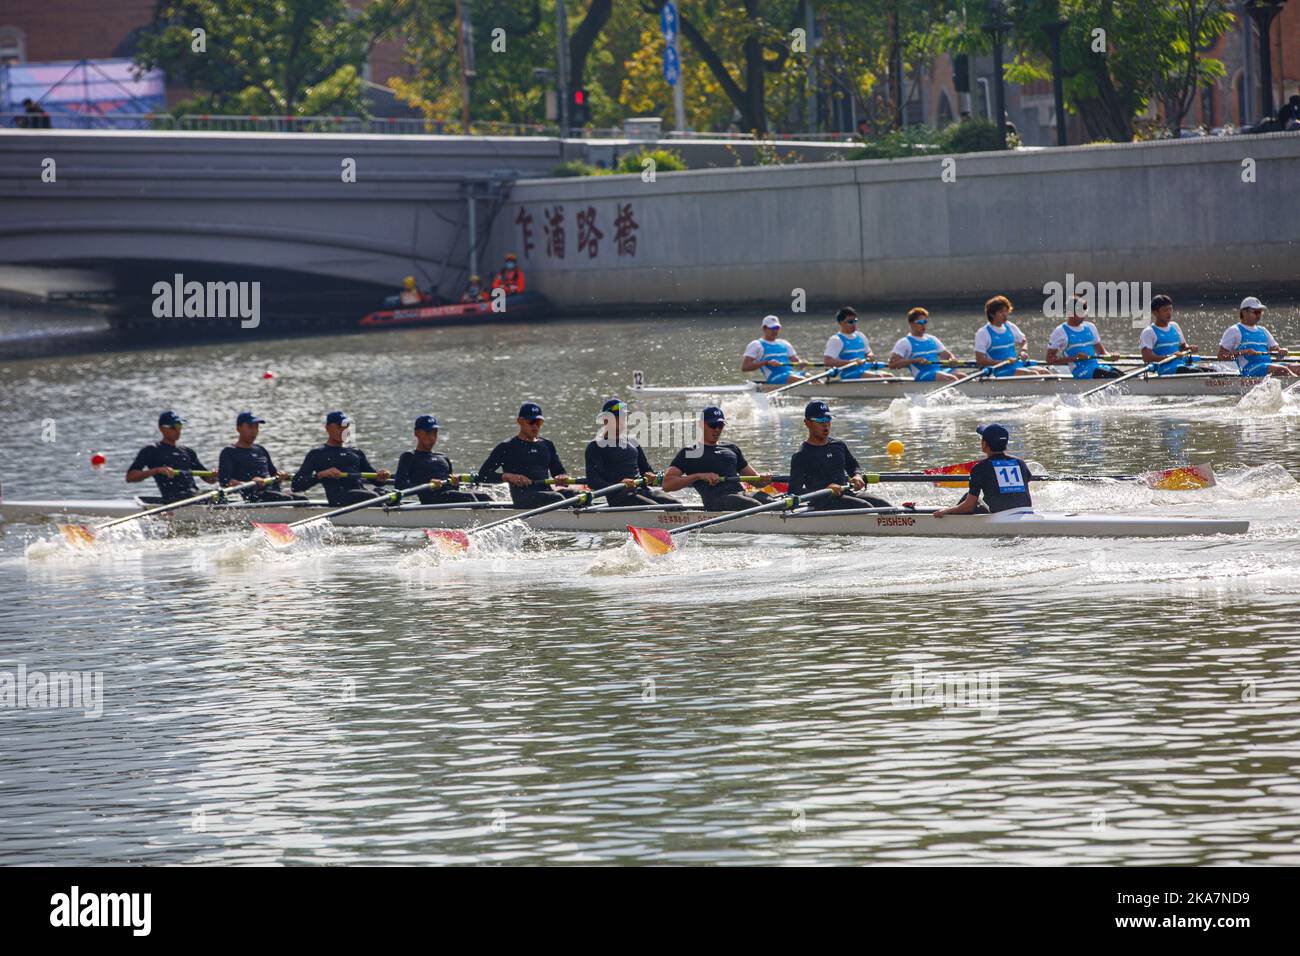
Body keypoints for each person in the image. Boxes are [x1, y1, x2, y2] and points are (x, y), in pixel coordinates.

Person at [662, 406, 774, 512]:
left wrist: (763, 479)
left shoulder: (732, 448)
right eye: (713, 425)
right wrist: (699, 476)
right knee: (754, 505)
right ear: (701, 425)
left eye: (720, 425)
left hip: (741, 496)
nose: (717, 429)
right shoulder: (690, 452)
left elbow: (756, 481)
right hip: (716, 501)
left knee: (771, 501)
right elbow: (667, 484)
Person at [789, 401, 892, 510]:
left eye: (828, 419)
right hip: (822, 501)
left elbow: (853, 465)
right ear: (807, 423)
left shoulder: (838, 445)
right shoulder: (801, 455)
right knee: (865, 507)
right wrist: (825, 490)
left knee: (884, 505)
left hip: (845, 493)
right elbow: (794, 491)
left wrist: (857, 475)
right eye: (820, 420)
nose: (825, 424)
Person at [477, 402, 576, 509]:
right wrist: (508, 476)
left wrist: (562, 476)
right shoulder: (507, 446)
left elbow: (558, 471)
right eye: (531, 422)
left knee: (574, 495)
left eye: (538, 422)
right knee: (557, 498)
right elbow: (483, 475)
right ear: (520, 421)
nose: (535, 426)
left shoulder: (547, 445)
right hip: (523, 497)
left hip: (546, 493)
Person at [584, 398, 680, 507]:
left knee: (676, 505)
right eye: (618, 418)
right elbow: (593, 481)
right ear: (606, 420)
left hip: (643, 490)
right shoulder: (595, 446)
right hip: (620, 496)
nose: (623, 421)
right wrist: (619, 484)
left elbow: (646, 470)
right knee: (656, 508)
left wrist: (651, 476)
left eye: (624, 417)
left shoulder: (632, 441)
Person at [291, 410, 391, 507]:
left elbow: (376, 481)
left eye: (346, 427)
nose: (344, 431)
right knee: (374, 496)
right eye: (339, 427)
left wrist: (381, 476)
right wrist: (320, 475)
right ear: (327, 428)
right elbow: (296, 485)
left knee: (389, 494)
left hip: (361, 496)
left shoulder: (356, 453)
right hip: (339, 500)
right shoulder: (317, 454)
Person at [933, 423, 1034, 517]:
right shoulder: (1020, 463)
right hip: (1027, 512)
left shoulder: (979, 468)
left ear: (984, 444)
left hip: (1001, 517)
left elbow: (969, 507)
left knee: (966, 499)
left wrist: (946, 511)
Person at [394, 415, 491, 505]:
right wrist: (428, 486)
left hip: (448, 499)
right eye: (428, 433)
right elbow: (400, 485)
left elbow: (452, 489)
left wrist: (455, 484)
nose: (432, 438)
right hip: (431, 501)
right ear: (416, 433)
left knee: (483, 494)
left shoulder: (443, 457)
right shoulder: (409, 456)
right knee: (482, 497)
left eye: (435, 433)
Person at [126, 410, 218, 504]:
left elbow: (210, 480)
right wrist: (156, 470)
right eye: (173, 427)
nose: (177, 430)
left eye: (179, 426)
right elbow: (130, 477)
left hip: (194, 496)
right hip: (173, 499)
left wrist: (216, 475)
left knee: (219, 495)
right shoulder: (152, 450)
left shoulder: (188, 452)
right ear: (162, 429)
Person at [217, 411, 303, 502]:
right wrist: (250, 483)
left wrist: (280, 476)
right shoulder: (229, 452)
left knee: (302, 499)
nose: (254, 431)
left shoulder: (260, 450)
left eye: (256, 427)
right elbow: (225, 481)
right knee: (287, 499)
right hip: (250, 496)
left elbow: (274, 474)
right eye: (250, 427)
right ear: (238, 428)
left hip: (271, 493)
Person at [1218, 296, 1300, 378]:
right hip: (1250, 370)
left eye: (1260, 312)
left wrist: (1281, 351)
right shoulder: (1234, 330)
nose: (1259, 315)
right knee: (1282, 369)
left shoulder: (1263, 330)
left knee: (1298, 367)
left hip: (1268, 367)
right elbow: (1221, 356)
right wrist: (1244, 352)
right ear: (1244, 312)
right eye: (1256, 312)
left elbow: (1276, 350)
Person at [1046, 297, 1120, 379]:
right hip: (1081, 372)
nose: (1083, 315)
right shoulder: (1060, 331)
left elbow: (1102, 353)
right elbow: (1050, 360)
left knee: (1123, 375)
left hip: (1096, 367)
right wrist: (1076, 358)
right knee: (1114, 376)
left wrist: (1111, 357)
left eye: (1084, 312)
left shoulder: (1090, 327)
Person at [975, 296, 1050, 376]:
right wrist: (1003, 362)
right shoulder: (983, 333)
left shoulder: (1010, 326)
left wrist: (1023, 351)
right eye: (1001, 312)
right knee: (1033, 374)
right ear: (992, 314)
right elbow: (980, 360)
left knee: (1045, 372)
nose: (1005, 315)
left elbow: (1023, 341)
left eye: (1006, 311)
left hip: (1016, 365)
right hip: (998, 370)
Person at [888, 307, 959, 382]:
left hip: (938, 371)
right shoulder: (904, 342)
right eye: (920, 322)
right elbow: (892, 364)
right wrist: (914, 361)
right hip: (923, 374)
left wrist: (952, 359)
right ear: (911, 323)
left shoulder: (932, 339)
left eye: (925, 322)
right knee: (952, 379)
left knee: (962, 376)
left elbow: (948, 355)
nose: (923, 325)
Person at [823, 306, 888, 380]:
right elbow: (827, 361)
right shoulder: (836, 340)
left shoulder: (860, 335)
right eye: (850, 322)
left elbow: (869, 352)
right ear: (841, 323)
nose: (854, 324)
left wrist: (870, 356)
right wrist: (849, 362)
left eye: (855, 321)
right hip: (847, 374)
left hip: (864, 370)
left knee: (889, 376)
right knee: (879, 377)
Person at [742, 314, 809, 385]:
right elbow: (745, 367)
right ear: (764, 328)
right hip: (775, 378)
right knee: (805, 381)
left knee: (814, 379)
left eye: (777, 328)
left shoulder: (784, 343)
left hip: (791, 374)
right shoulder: (756, 345)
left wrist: (801, 362)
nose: (775, 331)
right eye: (772, 328)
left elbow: (796, 362)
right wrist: (766, 362)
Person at [1139, 294, 1198, 374]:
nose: (1169, 313)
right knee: (1196, 372)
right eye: (1165, 310)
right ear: (1155, 312)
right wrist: (1169, 357)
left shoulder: (1175, 326)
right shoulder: (1149, 332)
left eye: (1170, 309)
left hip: (1182, 364)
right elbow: (1147, 357)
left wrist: (1190, 348)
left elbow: (1183, 348)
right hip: (1164, 369)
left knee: (1210, 371)